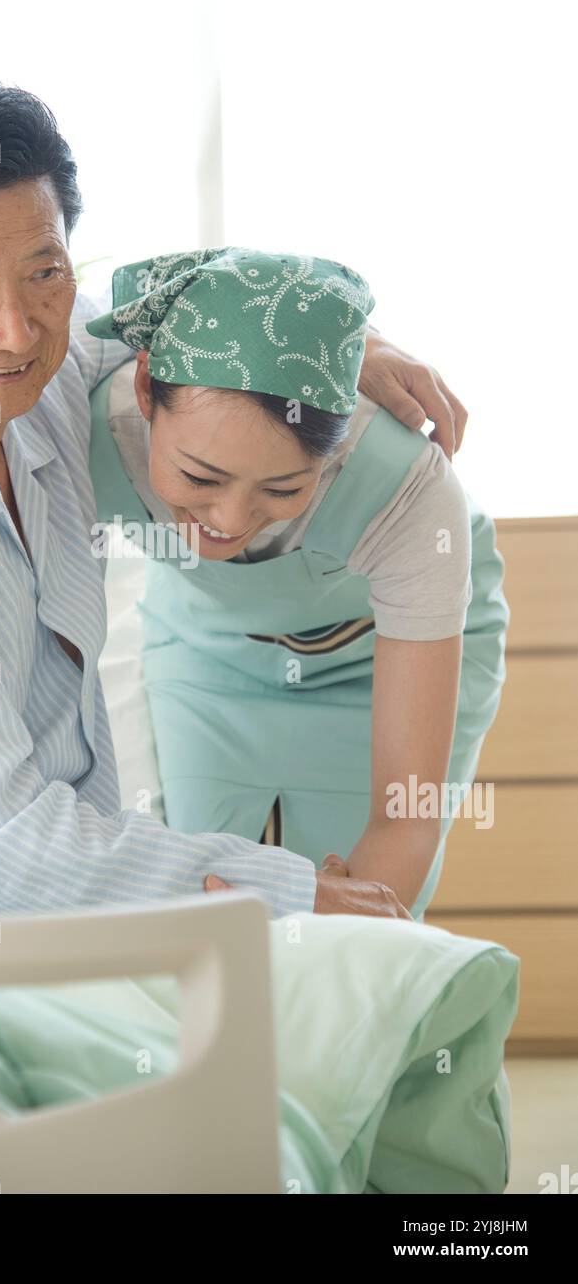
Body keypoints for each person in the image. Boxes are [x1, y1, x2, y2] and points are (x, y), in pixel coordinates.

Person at [0, 70, 466, 923]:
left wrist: (337, 342)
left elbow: (190, 302)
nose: (19, 328)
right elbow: (7, 844)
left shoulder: (44, 389)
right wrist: (295, 894)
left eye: (44, 273)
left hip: (39, 932)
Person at [84, 249, 508, 919]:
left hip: (384, 656)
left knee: (358, 913)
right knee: (214, 882)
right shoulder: (80, 429)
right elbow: (218, 286)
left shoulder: (409, 491)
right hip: (208, 644)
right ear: (145, 392)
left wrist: (345, 949)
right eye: (199, 478)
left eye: (282, 489)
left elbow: (404, 819)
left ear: (334, 450)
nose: (228, 521)